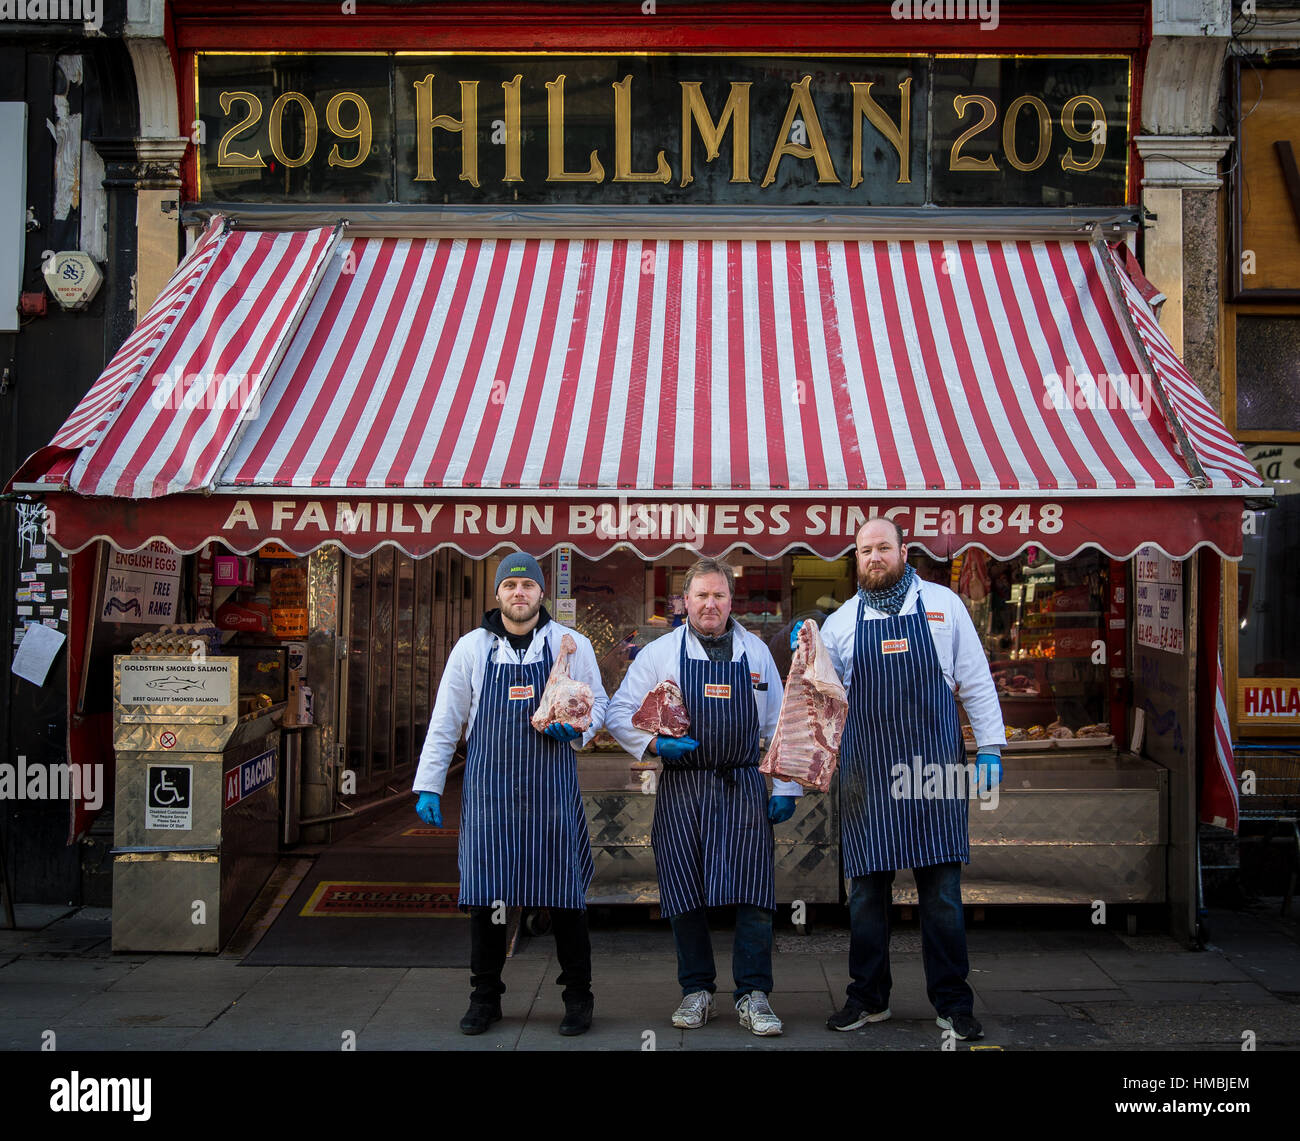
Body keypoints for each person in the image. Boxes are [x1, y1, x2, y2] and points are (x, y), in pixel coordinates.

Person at [819, 519, 1005, 1042]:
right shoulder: (842, 622)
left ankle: (952, 1002)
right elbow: (821, 699)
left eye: (882, 547)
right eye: (863, 551)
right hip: (867, 772)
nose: (873, 557)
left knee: (942, 893)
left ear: (904, 551)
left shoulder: (945, 606)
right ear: (855, 559)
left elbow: (974, 677)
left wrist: (989, 747)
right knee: (866, 894)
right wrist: (806, 651)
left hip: (936, 769)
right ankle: (867, 999)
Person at [413, 551, 608, 1037]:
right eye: (510, 586)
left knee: (565, 897)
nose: (518, 593)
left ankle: (578, 998)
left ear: (542, 593)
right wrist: (429, 784)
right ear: (497, 593)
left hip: (551, 792)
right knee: (487, 900)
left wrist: (580, 731)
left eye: (527, 585)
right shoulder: (472, 649)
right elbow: (446, 721)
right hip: (489, 795)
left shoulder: (570, 643)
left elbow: (599, 701)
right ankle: (485, 998)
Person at [605, 557, 801, 1036]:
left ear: (731, 601)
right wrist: (655, 744)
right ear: (684, 602)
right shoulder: (660, 653)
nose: (710, 604)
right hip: (682, 789)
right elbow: (618, 713)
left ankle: (753, 994)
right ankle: (697, 991)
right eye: (700, 596)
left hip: (742, 785)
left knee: (755, 895)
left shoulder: (755, 653)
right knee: (683, 892)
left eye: (719, 595)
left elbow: (779, 724)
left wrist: (787, 786)